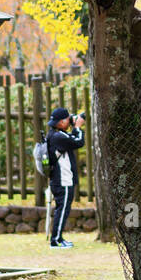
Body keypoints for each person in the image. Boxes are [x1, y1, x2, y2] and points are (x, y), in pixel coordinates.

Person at [46, 106, 85, 248]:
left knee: (62, 209)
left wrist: (74, 126)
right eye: (67, 119)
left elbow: (72, 139)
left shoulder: (54, 134)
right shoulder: (58, 136)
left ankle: (58, 238)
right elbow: (78, 141)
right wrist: (78, 126)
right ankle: (55, 240)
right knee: (62, 209)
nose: (70, 121)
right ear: (62, 122)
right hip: (63, 180)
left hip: (60, 179)